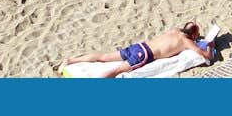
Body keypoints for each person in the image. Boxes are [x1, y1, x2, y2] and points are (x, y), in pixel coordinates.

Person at [62, 23, 214, 77]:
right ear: (193, 35)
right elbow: (207, 56)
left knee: (104, 57)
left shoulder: (174, 31)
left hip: (139, 46)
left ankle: (71, 61)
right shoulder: (187, 42)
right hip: (144, 55)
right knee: (115, 72)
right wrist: (210, 44)